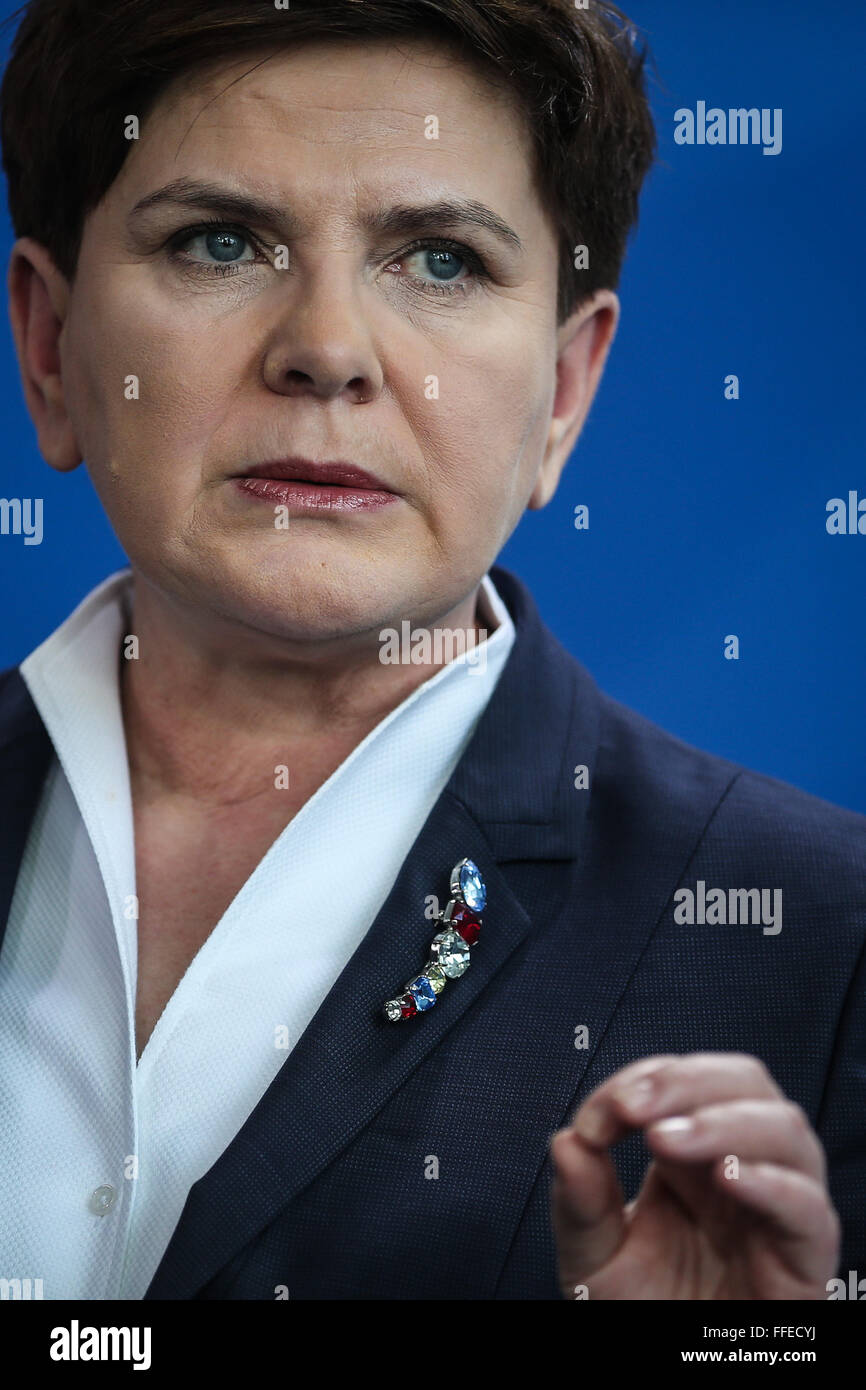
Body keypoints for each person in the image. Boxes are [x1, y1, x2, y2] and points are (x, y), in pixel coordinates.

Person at [0, 0, 861, 1302]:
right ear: (51, 347)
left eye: (440, 261)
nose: (326, 351)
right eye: (220, 242)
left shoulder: (828, 942)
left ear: (562, 393)